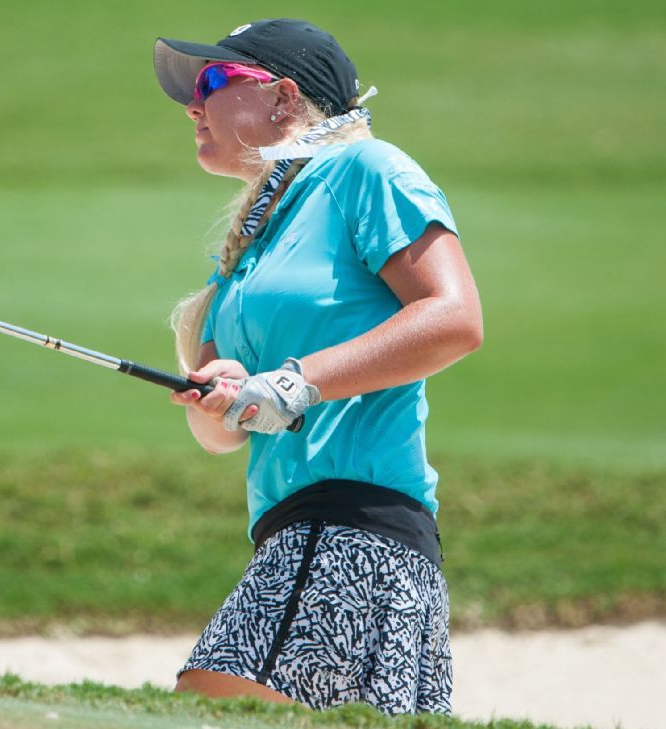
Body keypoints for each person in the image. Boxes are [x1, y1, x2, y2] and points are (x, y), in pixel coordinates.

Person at [152, 19, 483, 714]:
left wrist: (293, 381)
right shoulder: (247, 251)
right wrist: (225, 396)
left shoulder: (368, 171)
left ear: (283, 98)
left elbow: (453, 318)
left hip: (352, 531)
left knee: (204, 710)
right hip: (294, 534)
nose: (194, 104)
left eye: (214, 82)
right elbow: (226, 436)